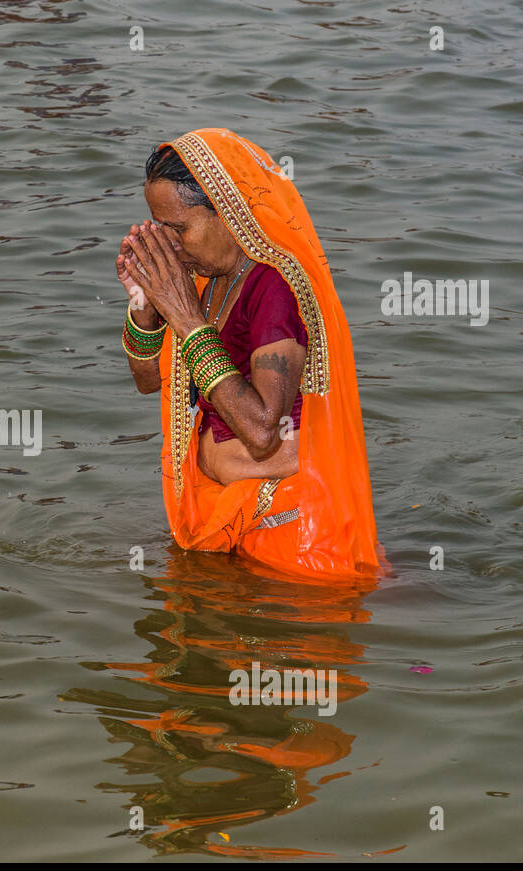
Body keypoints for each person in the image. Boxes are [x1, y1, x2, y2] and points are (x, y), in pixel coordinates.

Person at [115, 128, 383, 579]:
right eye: (161, 229)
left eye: (180, 229)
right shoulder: (204, 278)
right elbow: (147, 381)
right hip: (230, 516)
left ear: (230, 213)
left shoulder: (274, 287)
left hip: (290, 533)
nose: (172, 245)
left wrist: (185, 317)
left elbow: (262, 433)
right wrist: (144, 303)